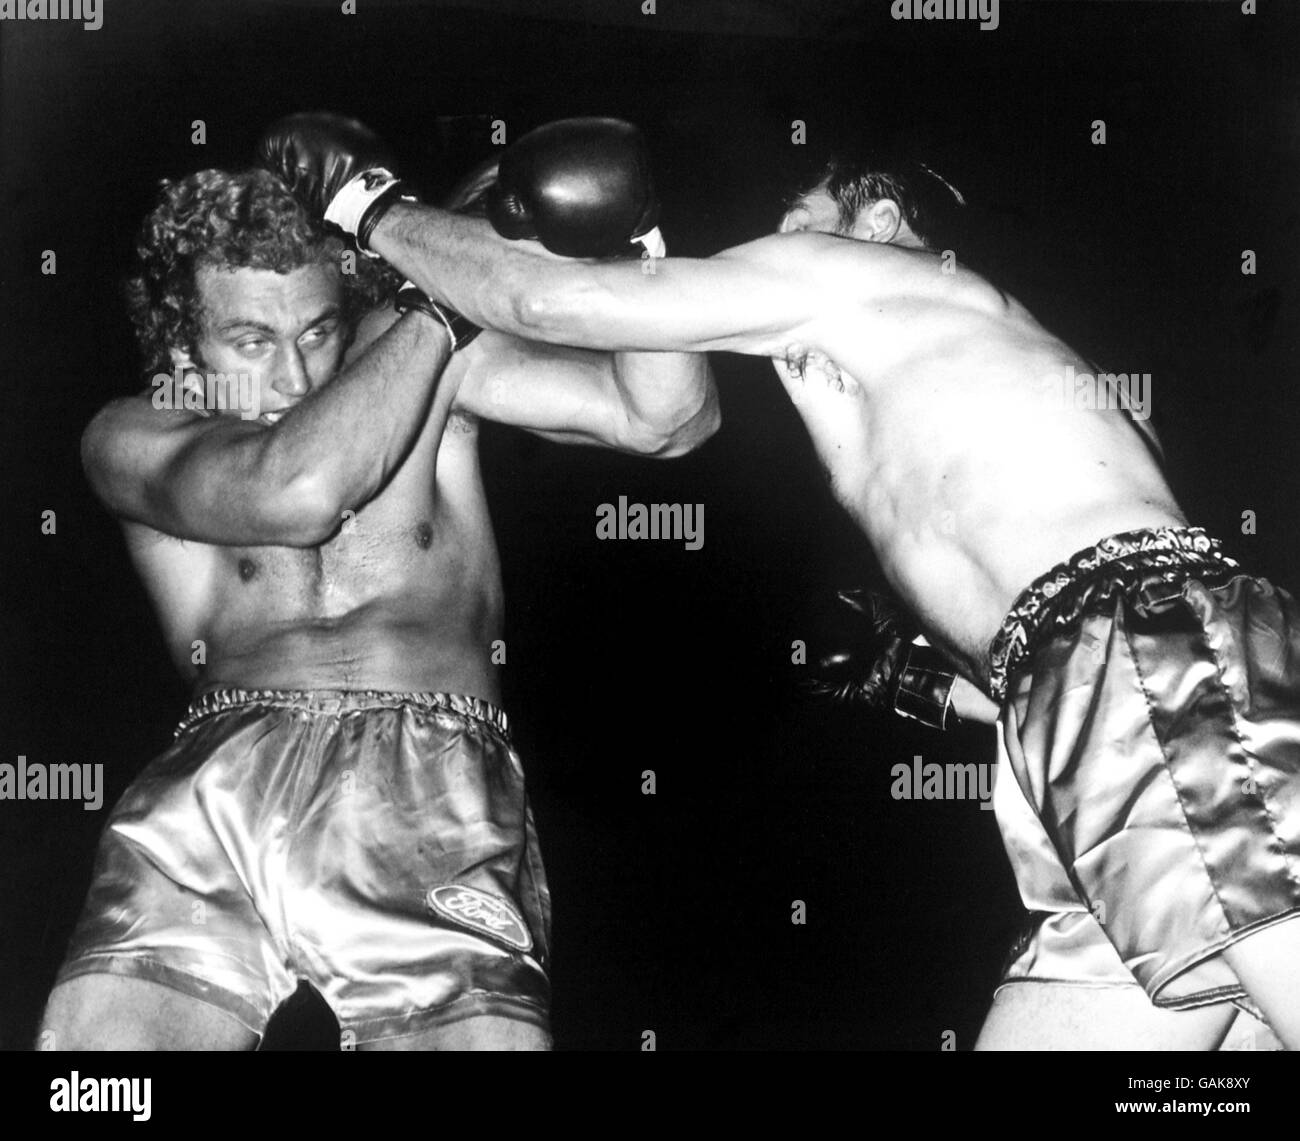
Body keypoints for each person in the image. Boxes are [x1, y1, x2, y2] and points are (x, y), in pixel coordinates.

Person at [282, 123, 1300, 1050]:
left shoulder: (856, 277)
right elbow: (1106, 664)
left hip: (1147, 660)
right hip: (1087, 709)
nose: (762, 260)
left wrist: (364, 203)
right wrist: (938, 687)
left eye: (791, 224)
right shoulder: (990, 384)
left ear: (880, 218)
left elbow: (547, 303)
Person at [40, 118, 718, 1050]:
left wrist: (637, 243)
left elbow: (667, 419)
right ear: (181, 343)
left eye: (317, 329)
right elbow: (299, 491)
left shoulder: (420, 362)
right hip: (217, 789)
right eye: (248, 339)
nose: (294, 370)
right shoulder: (132, 434)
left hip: (435, 782)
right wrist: (444, 288)